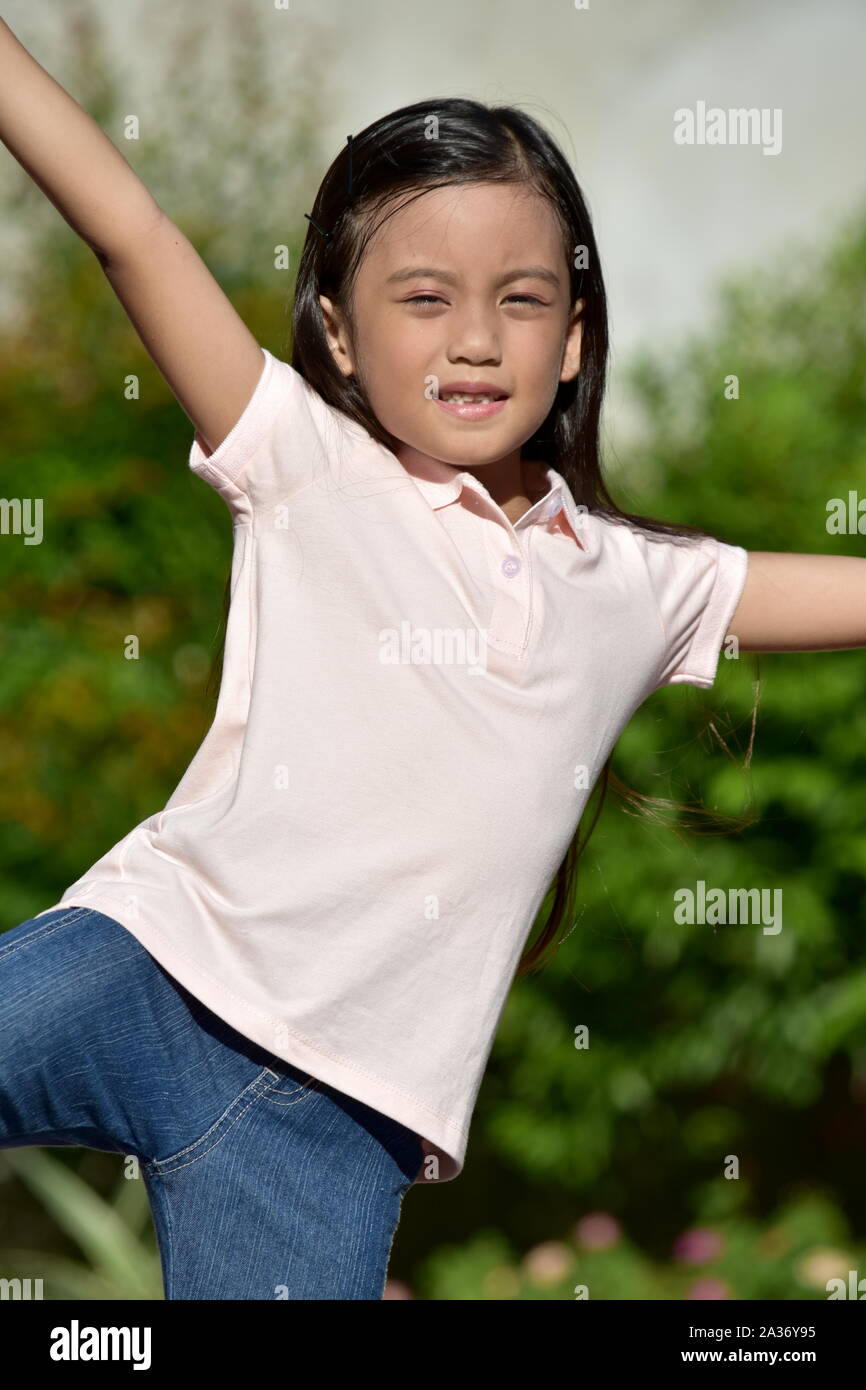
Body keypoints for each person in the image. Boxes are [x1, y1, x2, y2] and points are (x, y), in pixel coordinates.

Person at [1, 17, 864, 1302]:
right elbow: (128, 223)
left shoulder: (635, 582)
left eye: (521, 300)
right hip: (147, 973)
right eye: (423, 298)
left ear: (572, 338)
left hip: (335, 1134)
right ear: (339, 336)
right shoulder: (299, 459)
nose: (475, 339)